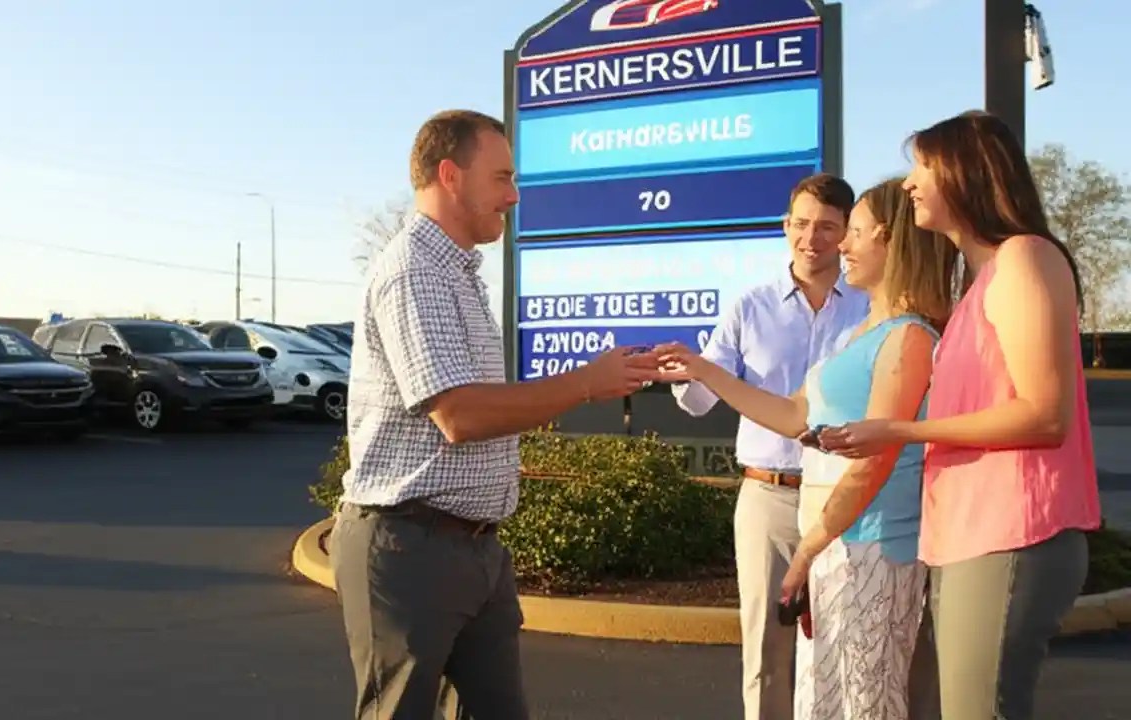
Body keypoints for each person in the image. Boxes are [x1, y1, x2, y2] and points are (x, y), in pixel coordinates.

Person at [330, 109, 661, 720]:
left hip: (475, 550)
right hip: (409, 548)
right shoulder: (414, 273)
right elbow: (459, 414)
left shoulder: (459, 274)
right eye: (503, 178)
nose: (514, 194)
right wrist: (587, 383)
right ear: (451, 176)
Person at [819, 110, 1103, 720]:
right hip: (970, 538)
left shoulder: (1025, 259)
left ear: (965, 172)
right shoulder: (979, 287)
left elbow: (1043, 414)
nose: (910, 183)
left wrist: (898, 430)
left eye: (922, 165)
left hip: (1013, 533)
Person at [661, 177, 958, 719]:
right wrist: (703, 369)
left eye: (848, 231)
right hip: (815, 532)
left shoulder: (907, 335)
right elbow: (793, 414)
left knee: (868, 698)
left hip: (865, 544)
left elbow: (874, 461)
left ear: (890, 241)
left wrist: (806, 550)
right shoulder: (861, 330)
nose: (835, 243)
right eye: (802, 224)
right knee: (820, 694)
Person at [668, 172, 869, 720]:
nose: (812, 238)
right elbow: (700, 400)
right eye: (802, 224)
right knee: (765, 651)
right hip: (768, 499)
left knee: (846, 647)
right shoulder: (748, 307)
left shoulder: (871, 310)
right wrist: (685, 375)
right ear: (785, 227)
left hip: (846, 500)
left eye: (828, 227)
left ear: (848, 233)